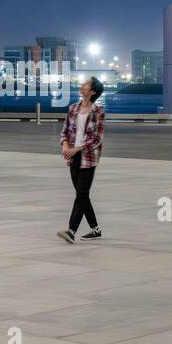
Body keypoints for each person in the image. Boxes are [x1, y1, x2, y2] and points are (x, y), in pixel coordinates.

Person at [57, 76, 105, 243]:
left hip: (88, 158)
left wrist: (75, 149)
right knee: (82, 195)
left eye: (86, 84)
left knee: (81, 193)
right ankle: (96, 229)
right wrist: (65, 147)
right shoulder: (73, 109)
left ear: (92, 92)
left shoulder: (98, 112)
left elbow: (96, 138)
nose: (82, 85)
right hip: (73, 157)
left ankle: (71, 230)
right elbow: (64, 131)